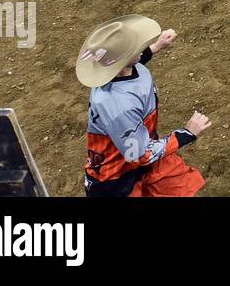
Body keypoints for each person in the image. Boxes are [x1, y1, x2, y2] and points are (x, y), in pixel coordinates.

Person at [78, 15, 211, 196]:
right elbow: (139, 154)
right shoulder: (119, 106)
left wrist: (156, 47)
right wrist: (186, 134)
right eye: (134, 47)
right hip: (119, 180)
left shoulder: (118, 71)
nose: (141, 45)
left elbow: (131, 65)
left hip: (141, 149)